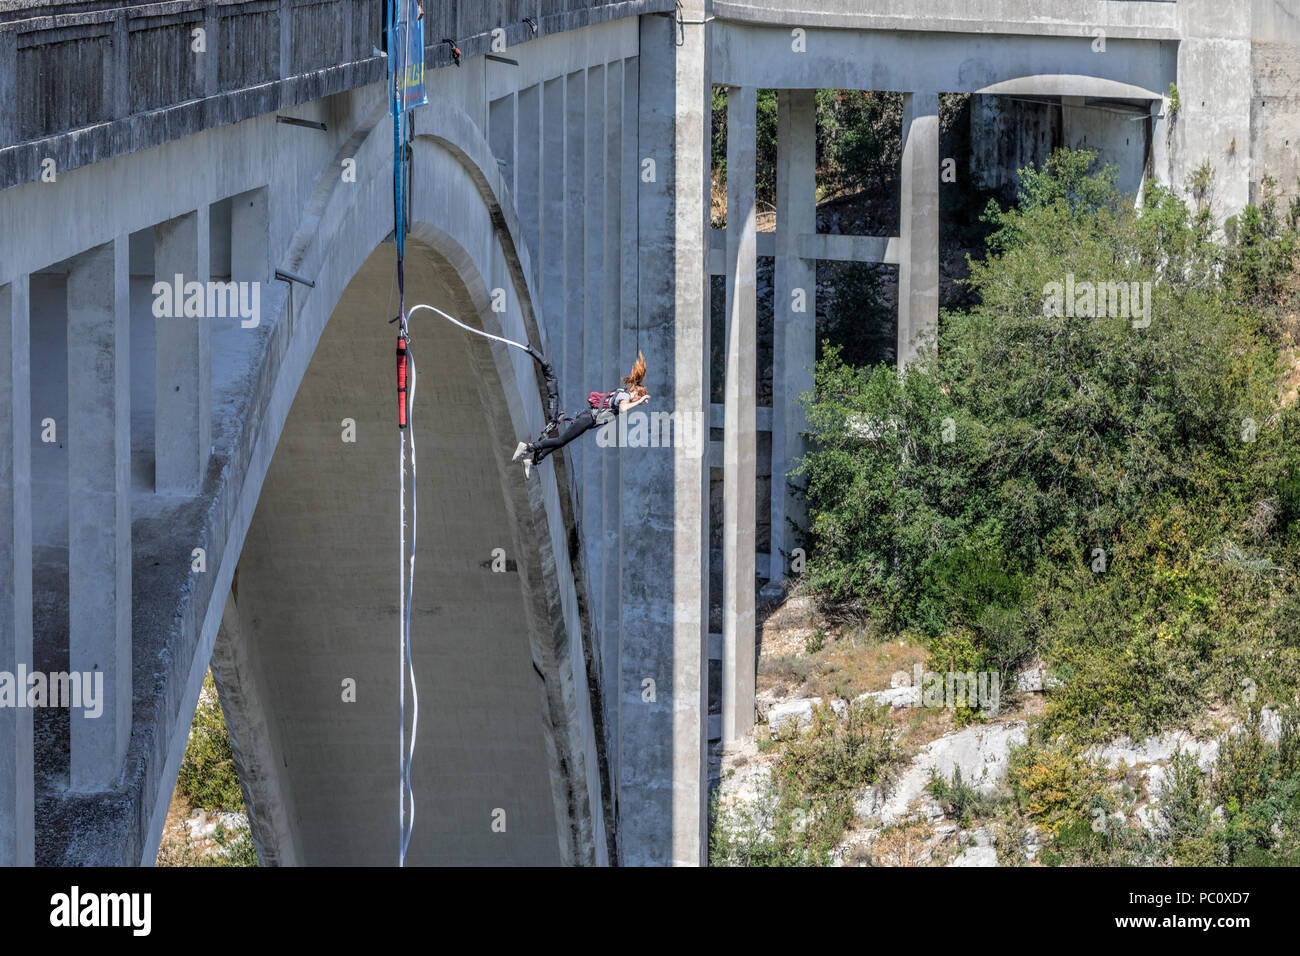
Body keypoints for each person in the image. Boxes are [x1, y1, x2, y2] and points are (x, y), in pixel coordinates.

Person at [513, 351, 651, 478]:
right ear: (637, 394)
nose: (637, 402)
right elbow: (623, 409)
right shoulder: (625, 396)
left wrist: (638, 402)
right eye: (638, 399)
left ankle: (532, 461)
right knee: (561, 441)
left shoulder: (624, 394)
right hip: (587, 418)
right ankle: (528, 447)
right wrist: (639, 402)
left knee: (561, 443)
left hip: (588, 420)